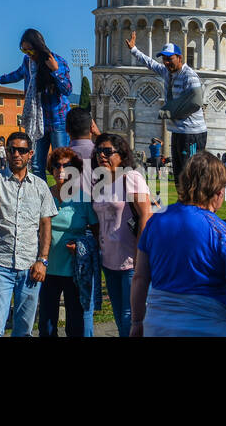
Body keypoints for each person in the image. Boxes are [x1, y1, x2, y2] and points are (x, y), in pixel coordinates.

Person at [130, 153, 226, 337]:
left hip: (158, 325)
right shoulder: (225, 234)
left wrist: (137, 322)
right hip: (209, 327)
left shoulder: (155, 222)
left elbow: (140, 278)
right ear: (218, 192)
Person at [0, 130, 55, 336]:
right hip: (1, 264)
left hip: (30, 266)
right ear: (6, 153)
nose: (16, 154)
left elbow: (46, 225)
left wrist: (43, 260)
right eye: (12, 150)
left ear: (30, 154)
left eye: (22, 150)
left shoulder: (40, 187)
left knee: (24, 329)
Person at [0, 28, 73, 179]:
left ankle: (62, 199)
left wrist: (55, 70)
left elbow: (67, 89)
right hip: (37, 121)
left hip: (58, 120)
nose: (29, 54)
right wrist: (0, 79)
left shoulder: (57, 61)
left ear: (39, 47)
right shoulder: (27, 62)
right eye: (24, 51)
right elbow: (18, 74)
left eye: (31, 51)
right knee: (36, 165)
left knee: (60, 163)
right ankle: (42, 198)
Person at [91, 131, 152, 337]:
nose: (102, 155)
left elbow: (146, 215)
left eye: (108, 151)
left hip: (130, 260)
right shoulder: (99, 181)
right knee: (119, 315)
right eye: (99, 151)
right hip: (108, 260)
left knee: (131, 317)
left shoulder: (131, 177)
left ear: (121, 154)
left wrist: (139, 254)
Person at [126, 31, 205, 180]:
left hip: (192, 133)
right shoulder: (167, 72)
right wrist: (133, 50)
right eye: (164, 59)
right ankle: (182, 203)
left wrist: (171, 111)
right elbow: (150, 63)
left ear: (180, 58)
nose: (166, 62)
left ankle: (194, 203)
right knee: (180, 175)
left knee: (192, 175)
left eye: (170, 59)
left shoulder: (189, 75)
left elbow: (196, 102)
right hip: (179, 132)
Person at [38, 146, 98, 337]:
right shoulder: (43, 195)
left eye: (66, 165)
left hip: (75, 271)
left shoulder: (84, 199)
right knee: (46, 326)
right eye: (56, 165)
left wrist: (82, 244)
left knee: (75, 324)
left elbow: (97, 235)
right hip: (47, 269)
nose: (61, 170)